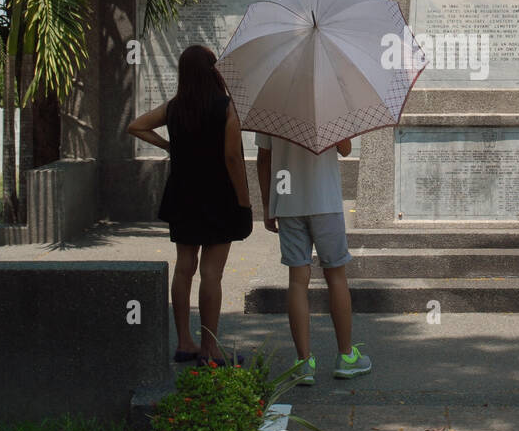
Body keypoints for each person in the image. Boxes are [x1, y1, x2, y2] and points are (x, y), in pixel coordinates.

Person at [128, 44, 252, 366]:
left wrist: (170, 145)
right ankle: (210, 349)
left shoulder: (174, 107)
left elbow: (136, 125)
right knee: (212, 273)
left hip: (182, 193)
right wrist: (244, 200)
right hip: (218, 196)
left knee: (184, 267)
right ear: (213, 71)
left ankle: (185, 342)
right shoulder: (226, 108)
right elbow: (231, 158)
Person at [256, 131, 370, 385]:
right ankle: (346, 356)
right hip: (325, 200)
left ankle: (303, 362)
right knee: (336, 276)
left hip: (287, 202)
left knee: (297, 280)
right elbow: (346, 148)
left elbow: (264, 158)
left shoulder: (272, 102)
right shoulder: (329, 100)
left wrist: (267, 206)